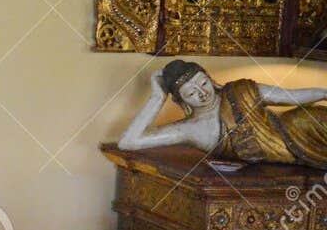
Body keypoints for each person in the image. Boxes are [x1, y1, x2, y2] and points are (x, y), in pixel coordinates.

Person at [117, 59, 327, 167]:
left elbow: (289, 97)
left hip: (304, 124)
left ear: (210, 78)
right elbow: (129, 142)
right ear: (181, 100)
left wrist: (324, 93)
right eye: (191, 93)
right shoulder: (189, 130)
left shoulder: (239, 90)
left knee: (309, 117)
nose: (202, 93)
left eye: (203, 83)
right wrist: (157, 97)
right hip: (292, 153)